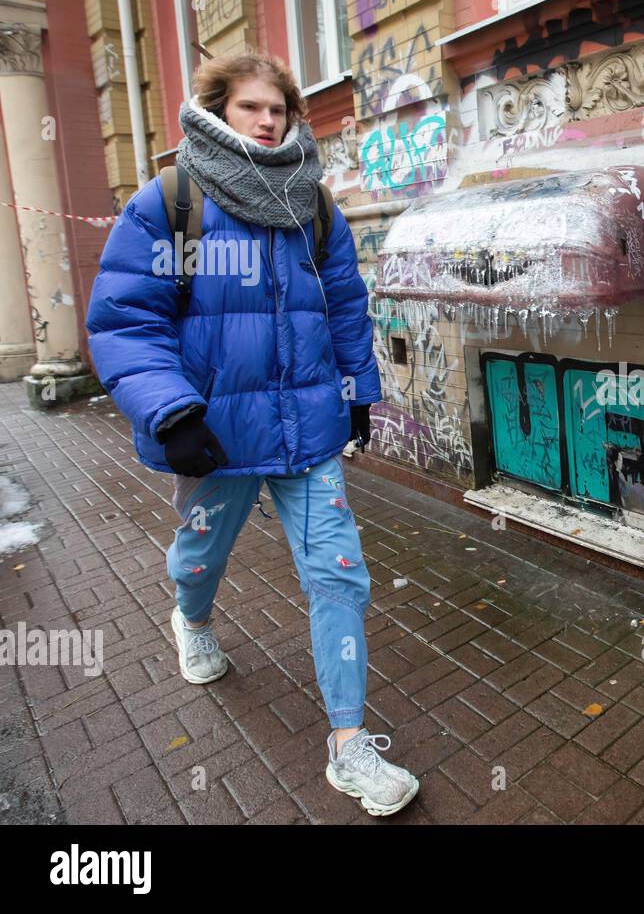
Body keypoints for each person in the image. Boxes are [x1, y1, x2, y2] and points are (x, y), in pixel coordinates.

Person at [86, 51, 418, 817]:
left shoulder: (316, 205)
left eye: (279, 109)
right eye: (251, 108)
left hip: (307, 433)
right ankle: (191, 619)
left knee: (339, 574)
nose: (268, 121)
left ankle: (348, 744)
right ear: (217, 111)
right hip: (216, 435)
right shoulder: (172, 202)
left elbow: (343, 305)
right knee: (202, 555)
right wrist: (172, 414)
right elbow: (127, 320)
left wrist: (358, 394)